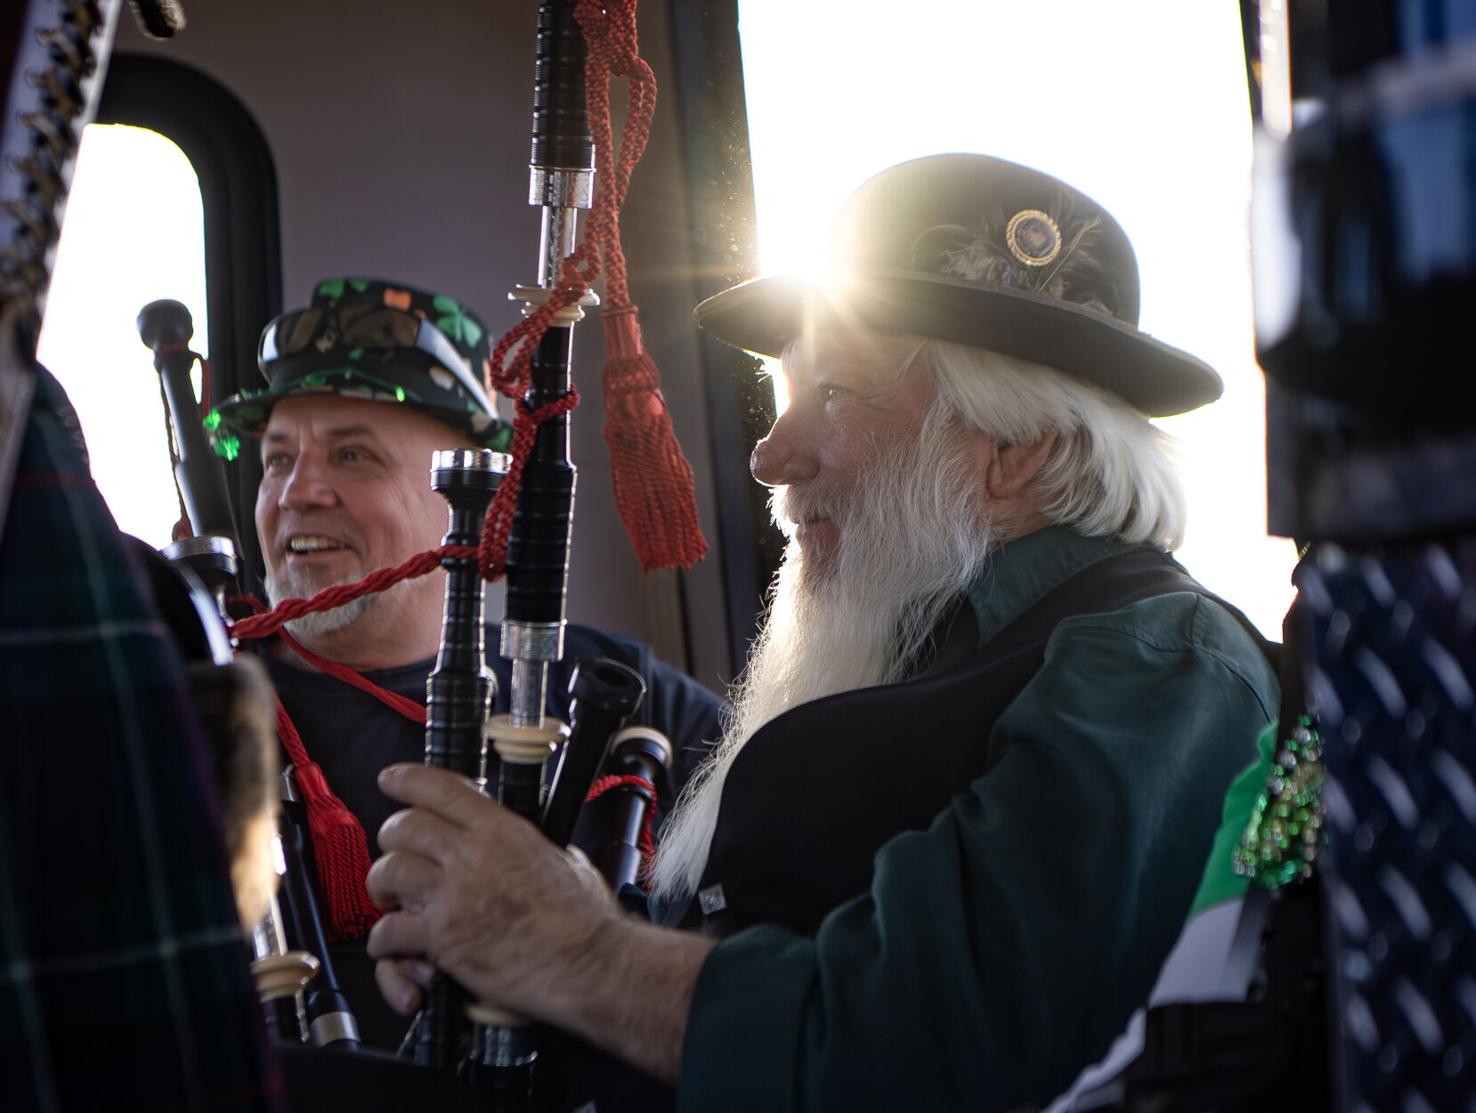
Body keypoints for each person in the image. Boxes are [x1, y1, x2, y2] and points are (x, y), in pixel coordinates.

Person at [361, 154, 1280, 1111]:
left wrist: (580, 955)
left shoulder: (1154, 667)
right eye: (780, 395)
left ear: (1015, 450)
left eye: (836, 392)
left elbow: (941, 1050)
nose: (770, 454)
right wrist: (518, 940)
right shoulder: (912, 647)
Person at [212, 277, 726, 1047]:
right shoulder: (198, 702)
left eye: (352, 454)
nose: (297, 491)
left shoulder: (621, 689)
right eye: (277, 457)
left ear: (478, 490)